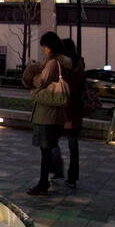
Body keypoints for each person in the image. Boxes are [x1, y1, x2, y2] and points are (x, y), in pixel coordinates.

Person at [23, 31, 71, 195]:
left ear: (48, 46)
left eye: (44, 46)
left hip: (47, 114)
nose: (43, 49)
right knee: (49, 148)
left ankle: (43, 182)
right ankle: (51, 175)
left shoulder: (52, 64)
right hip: (54, 114)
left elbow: (41, 82)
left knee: (45, 150)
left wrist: (34, 72)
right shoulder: (62, 62)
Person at [56, 37, 86, 189]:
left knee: (52, 140)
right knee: (73, 146)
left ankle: (58, 170)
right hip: (75, 112)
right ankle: (71, 177)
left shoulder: (67, 69)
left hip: (66, 110)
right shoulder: (80, 66)